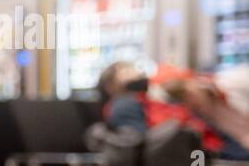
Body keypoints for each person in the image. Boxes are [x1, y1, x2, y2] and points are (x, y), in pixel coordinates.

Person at [97, 61, 249, 160]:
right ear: (111, 87)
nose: (133, 72)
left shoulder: (156, 88)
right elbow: (138, 145)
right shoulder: (124, 105)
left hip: (203, 145)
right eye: (123, 71)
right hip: (195, 154)